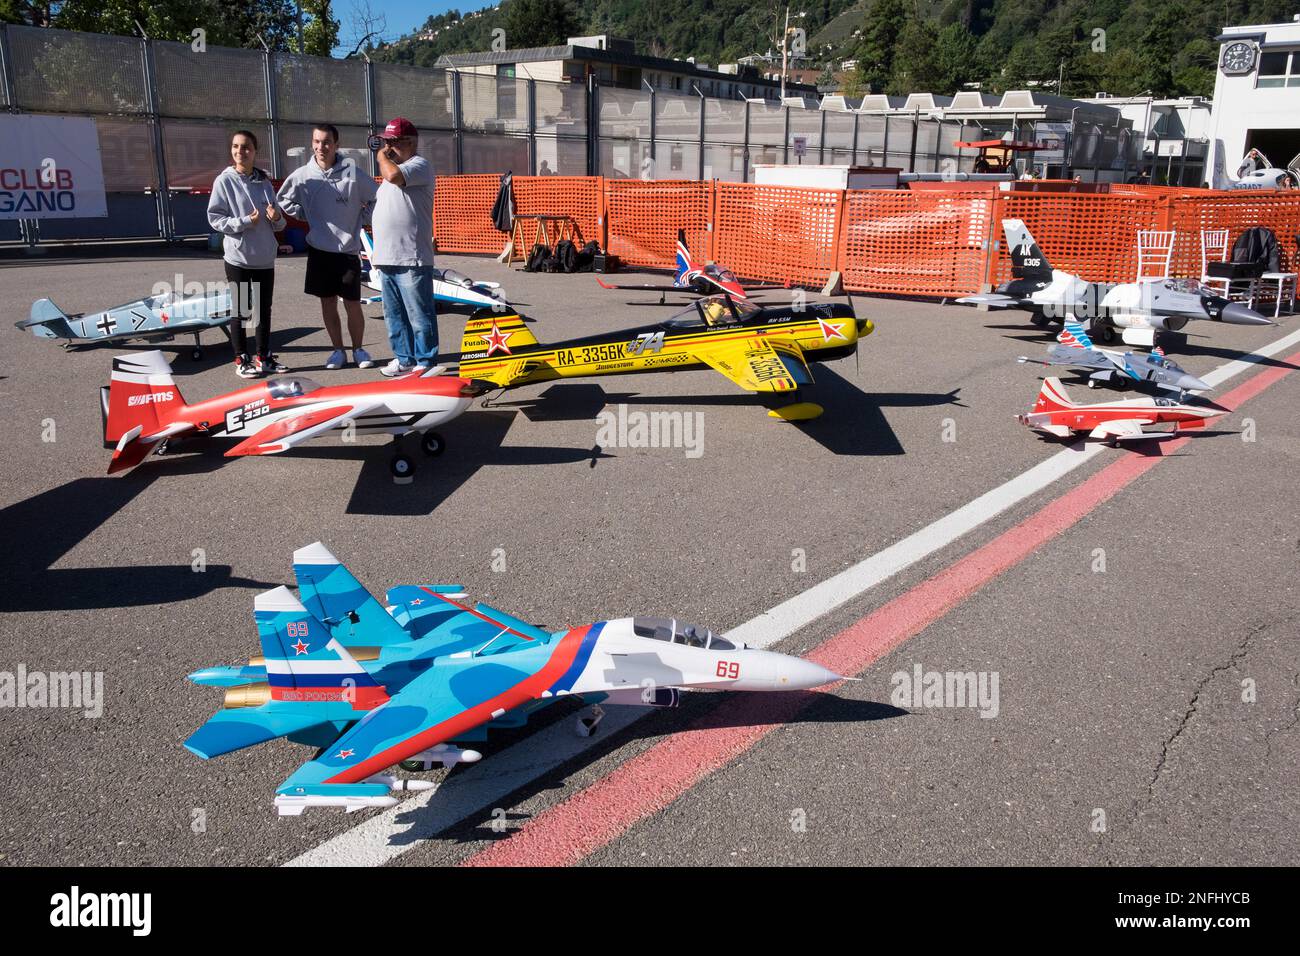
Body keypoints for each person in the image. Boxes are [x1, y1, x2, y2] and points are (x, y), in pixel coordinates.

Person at [276, 123, 379, 370]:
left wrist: (362, 220)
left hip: (347, 251)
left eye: (326, 142)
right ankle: (338, 352)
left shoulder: (352, 172)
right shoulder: (303, 174)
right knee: (327, 302)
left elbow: (377, 197)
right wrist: (305, 215)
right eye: (317, 141)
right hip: (320, 252)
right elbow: (283, 200)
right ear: (312, 143)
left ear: (336, 145)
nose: (321, 147)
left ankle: (359, 350)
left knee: (353, 303)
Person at [207, 129, 288, 378]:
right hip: (238, 258)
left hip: (264, 257)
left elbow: (279, 222)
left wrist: (277, 219)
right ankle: (241, 359)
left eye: (245, 147)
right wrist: (243, 222)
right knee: (241, 309)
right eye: (235, 147)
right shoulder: (224, 181)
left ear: (255, 151)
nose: (239, 152)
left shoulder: (263, 182)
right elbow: (215, 218)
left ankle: (263, 357)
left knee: (264, 310)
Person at [370, 117, 437, 376]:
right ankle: (404, 359)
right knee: (394, 316)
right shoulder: (389, 173)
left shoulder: (418, 165)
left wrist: (380, 157)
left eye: (392, 143)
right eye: (386, 143)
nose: (387, 148)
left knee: (419, 316)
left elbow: (393, 175)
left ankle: (425, 362)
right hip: (387, 256)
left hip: (410, 255)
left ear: (409, 142)